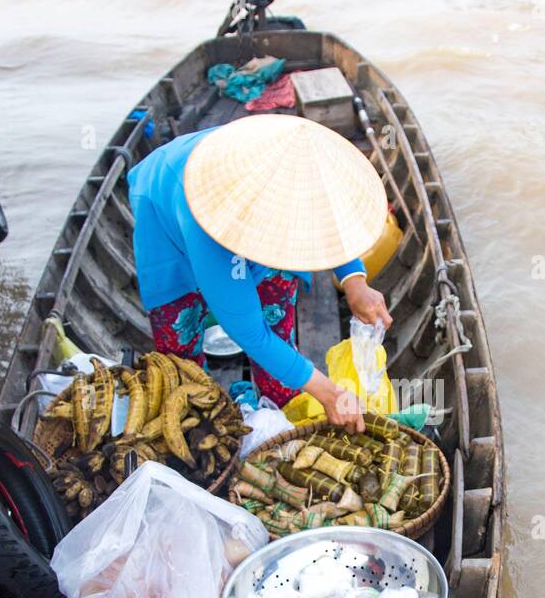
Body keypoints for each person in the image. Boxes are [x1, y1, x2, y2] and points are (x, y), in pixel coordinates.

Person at [127, 113, 392, 431]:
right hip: (166, 204)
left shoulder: (300, 172)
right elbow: (248, 333)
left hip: (247, 195)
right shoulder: (207, 230)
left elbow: (330, 224)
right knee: (180, 345)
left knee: (276, 319)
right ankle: (193, 417)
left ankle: (278, 408)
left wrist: (354, 281)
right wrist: (330, 393)